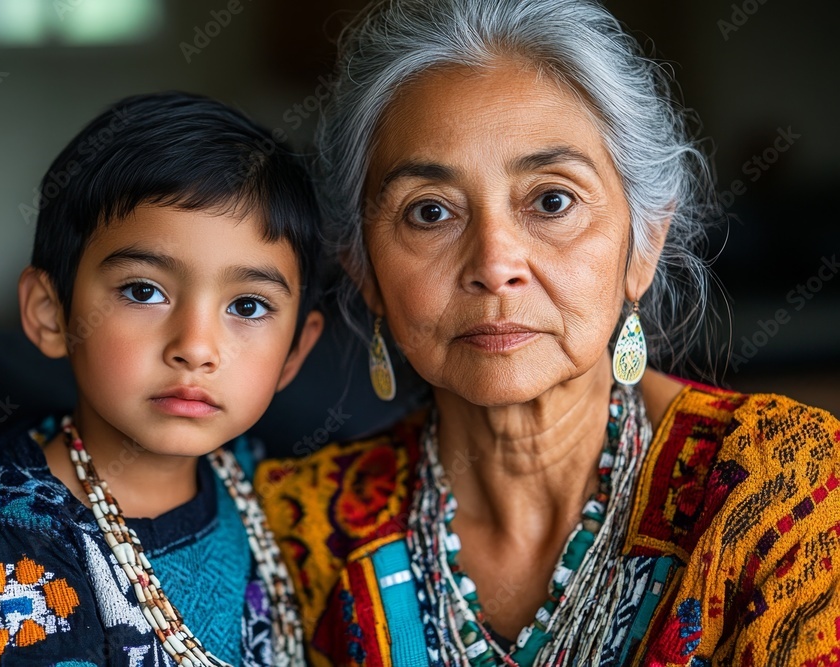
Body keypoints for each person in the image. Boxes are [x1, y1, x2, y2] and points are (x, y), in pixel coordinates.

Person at [255, 1, 840, 665]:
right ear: (364, 268)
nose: (494, 264)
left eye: (552, 200)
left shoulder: (781, 491)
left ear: (643, 244)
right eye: (430, 212)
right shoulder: (299, 531)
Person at [0, 91, 323, 666]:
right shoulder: (21, 546)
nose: (195, 347)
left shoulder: (249, 477)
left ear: (294, 351)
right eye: (144, 291)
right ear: (52, 313)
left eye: (247, 306)